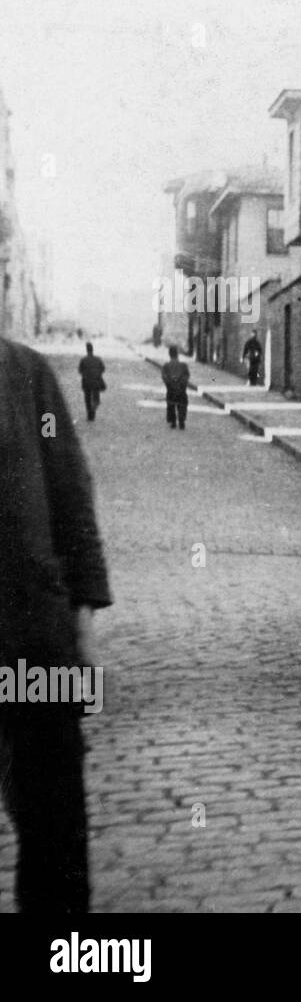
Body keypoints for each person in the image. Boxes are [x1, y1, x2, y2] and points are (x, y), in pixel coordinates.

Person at [0, 336, 112, 914]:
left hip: (32, 646)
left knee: (54, 832)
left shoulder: (24, 372)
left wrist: (83, 627)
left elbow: (71, 497)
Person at [161, 345, 190, 430]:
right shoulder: (183, 365)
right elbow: (186, 376)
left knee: (171, 405)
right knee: (182, 405)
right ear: (177, 354)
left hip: (171, 389)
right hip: (181, 389)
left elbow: (164, 377)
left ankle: (173, 422)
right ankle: (181, 421)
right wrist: (182, 385)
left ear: (169, 354)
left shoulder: (166, 366)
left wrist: (169, 384)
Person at [77, 342, 106, 422]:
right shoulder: (98, 359)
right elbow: (103, 369)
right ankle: (93, 411)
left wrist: (86, 374)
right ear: (92, 349)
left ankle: (90, 415)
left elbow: (80, 370)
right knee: (96, 399)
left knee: (87, 399)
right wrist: (97, 374)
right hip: (96, 382)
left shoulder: (83, 360)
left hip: (86, 382)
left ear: (86, 350)